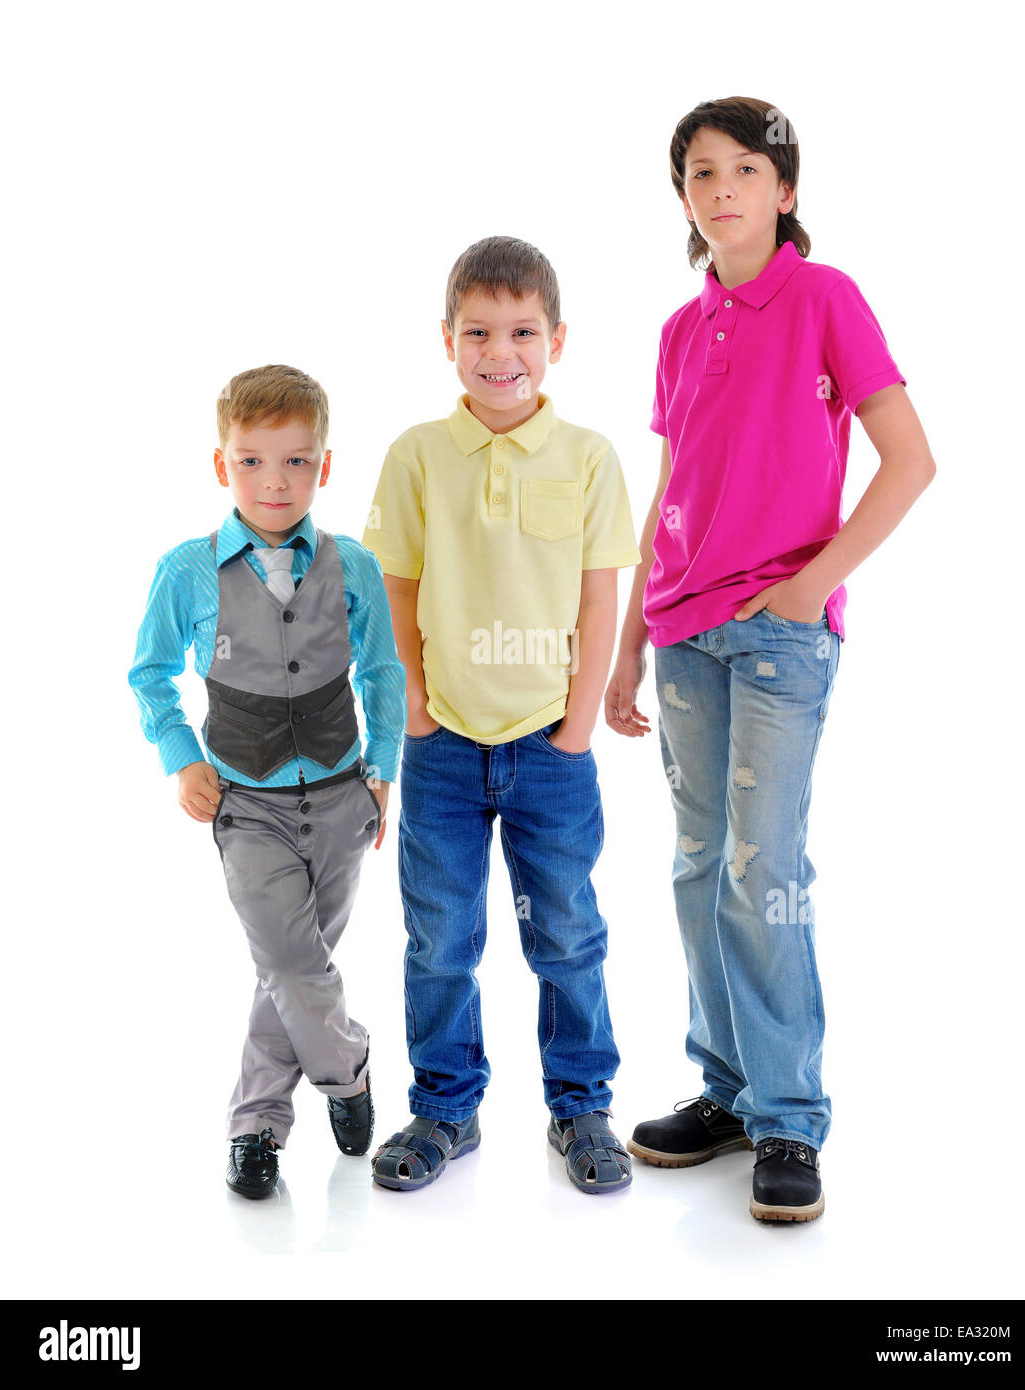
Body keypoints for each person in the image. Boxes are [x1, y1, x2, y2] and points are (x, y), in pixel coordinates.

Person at [605, 98, 936, 1221]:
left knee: (764, 864)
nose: (723, 189)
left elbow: (909, 458)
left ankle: (790, 1118)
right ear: (685, 197)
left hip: (780, 632)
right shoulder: (676, 331)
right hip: (682, 631)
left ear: (784, 190)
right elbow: (670, 491)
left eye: (746, 169)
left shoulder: (825, 298)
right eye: (701, 173)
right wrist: (627, 646)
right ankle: (729, 1089)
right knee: (699, 862)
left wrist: (807, 586)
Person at [362, 236, 641, 1194]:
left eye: (522, 330)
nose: (500, 350)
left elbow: (599, 599)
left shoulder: (590, 457)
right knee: (439, 936)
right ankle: (445, 1108)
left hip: (548, 747)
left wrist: (577, 727)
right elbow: (393, 589)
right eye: (477, 331)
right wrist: (418, 715)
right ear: (447, 339)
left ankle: (582, 1106)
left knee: (566, 932)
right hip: (442, 745)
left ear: (556, 339)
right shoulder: (417, 456)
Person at [128, 364, 406, 1199]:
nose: (273, 481)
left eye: (295, 461)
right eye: (251, 461)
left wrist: (381, 774)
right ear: (222, 466)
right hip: (245, 805)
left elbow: (384, 674)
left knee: (289, 970)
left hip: (340, 798)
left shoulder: (352, 567)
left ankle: (256, 1124)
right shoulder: (186, 572)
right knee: (291, 961)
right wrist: (182, 758)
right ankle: (346, 1069)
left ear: (325, 466)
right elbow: (148, 674)